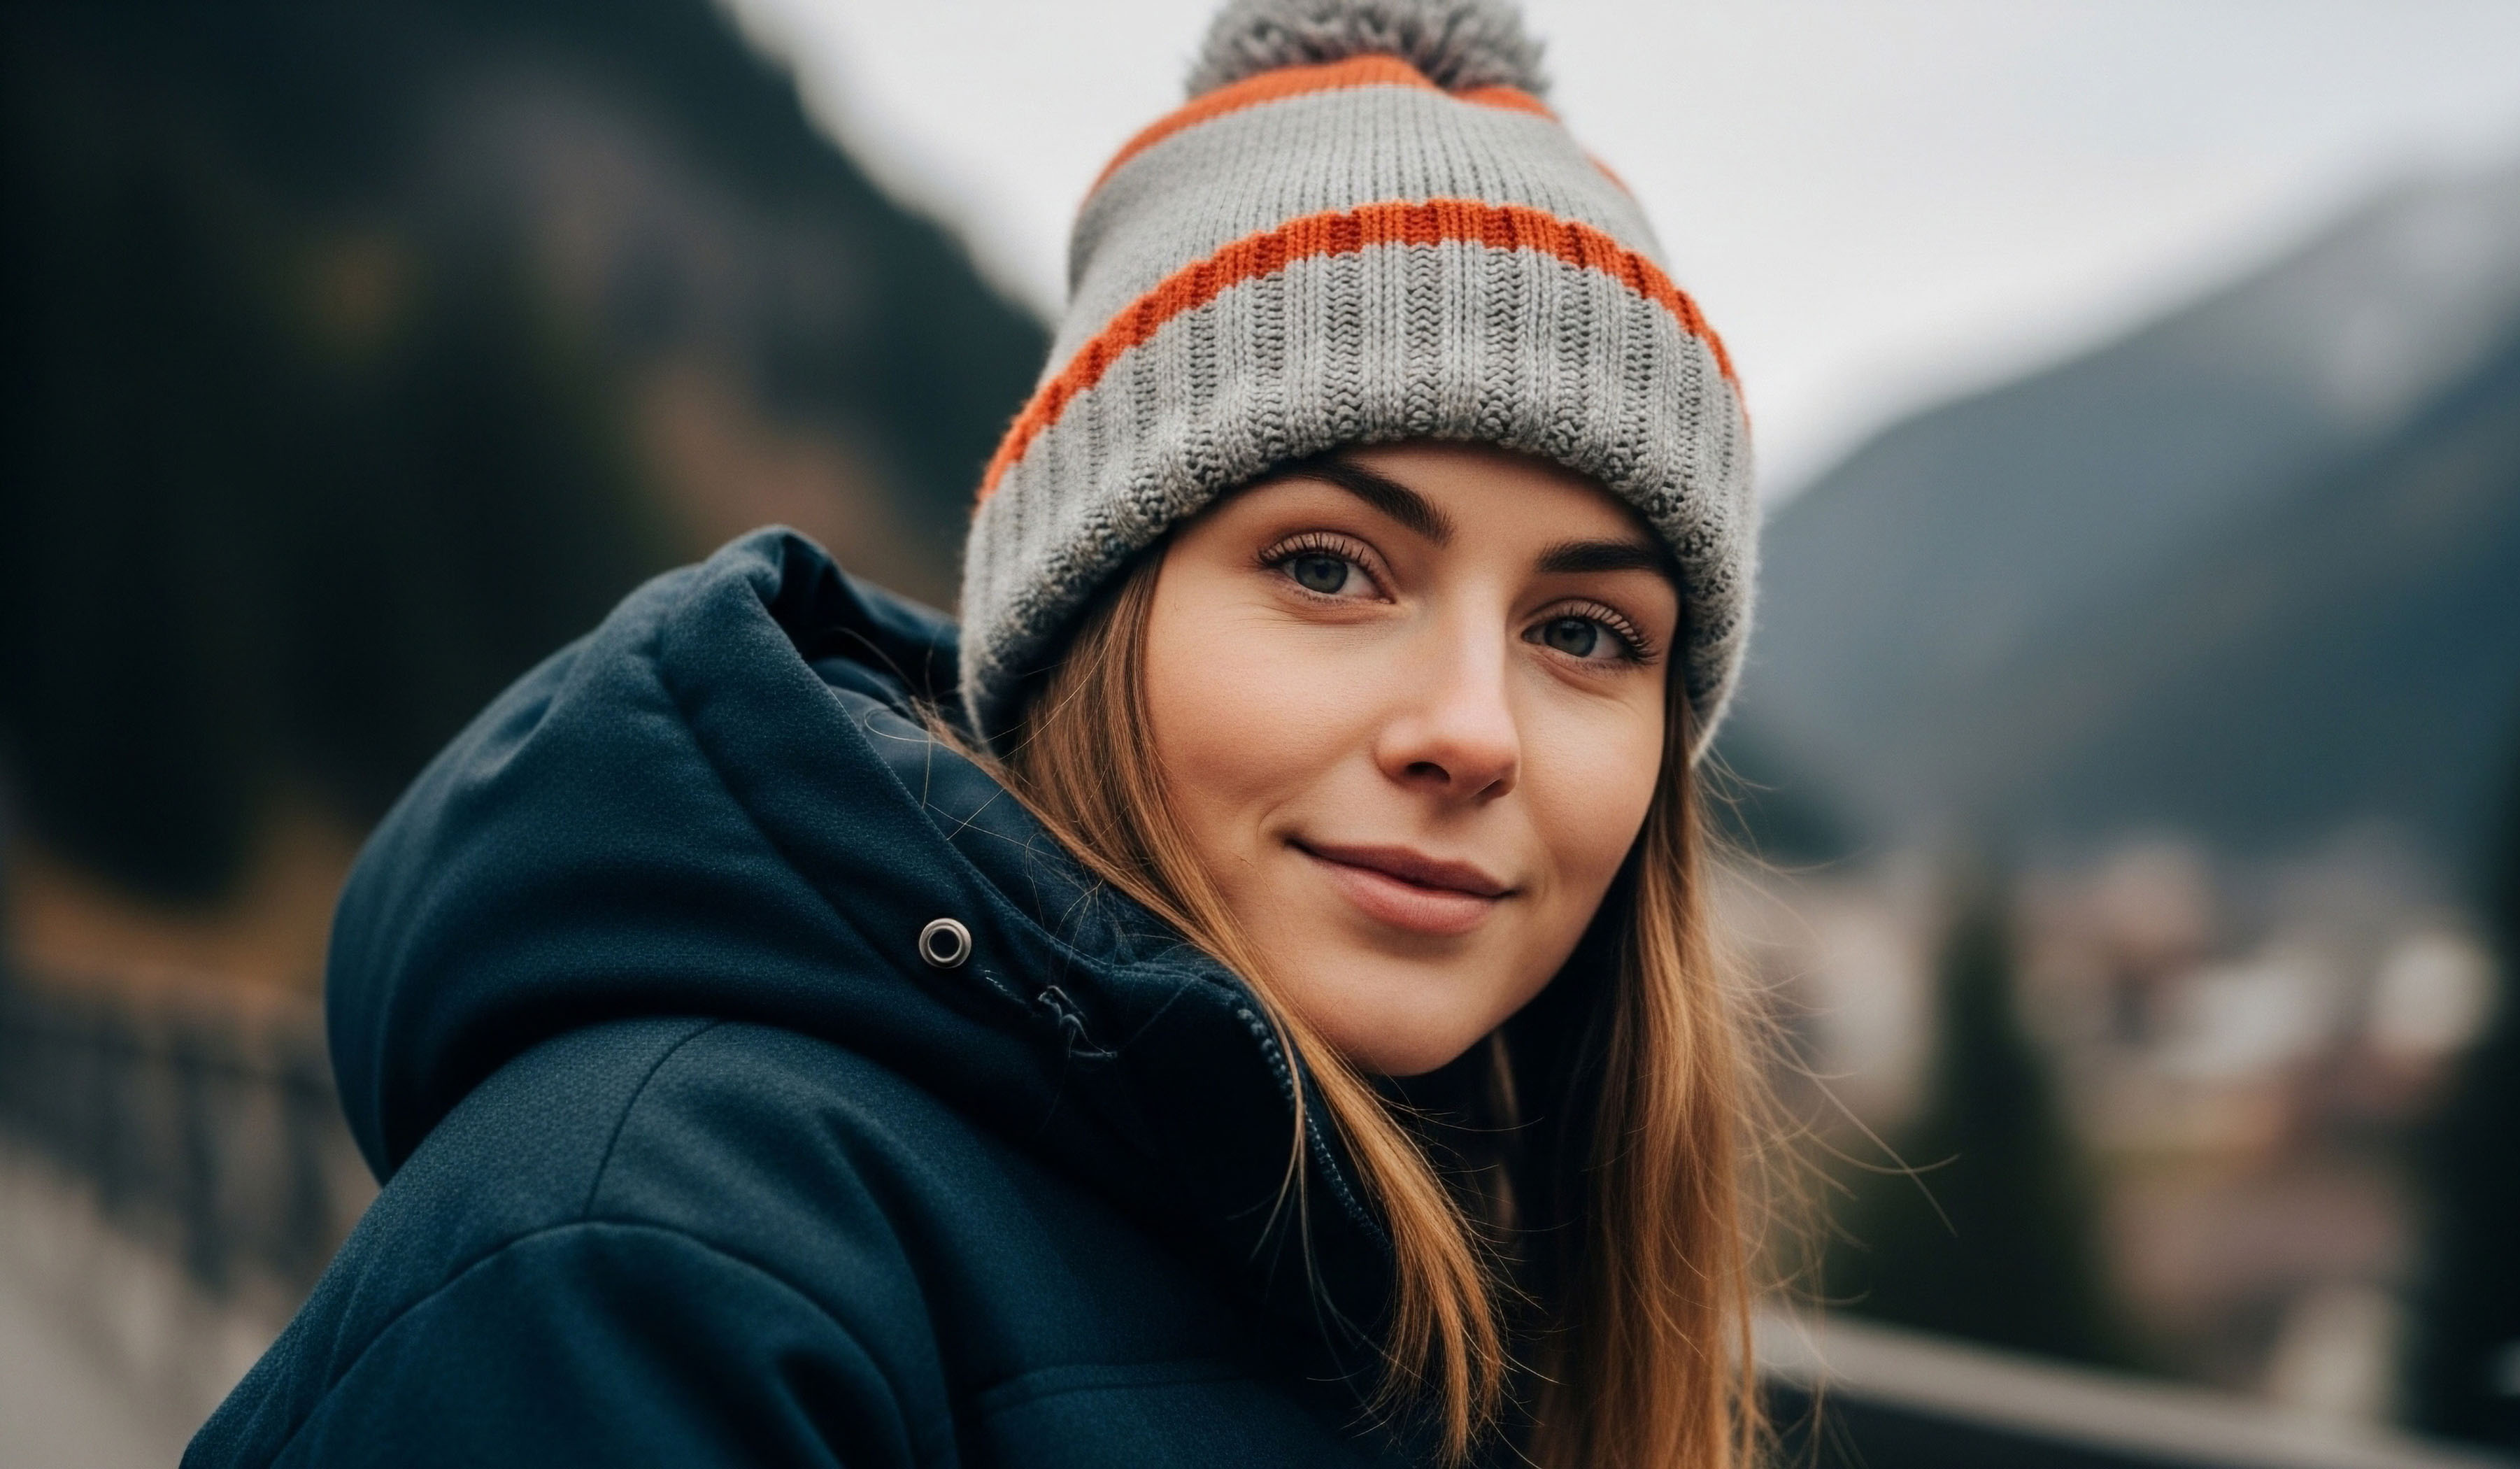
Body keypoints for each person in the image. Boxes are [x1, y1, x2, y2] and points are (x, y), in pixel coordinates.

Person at [187, 0, 1768, 1463]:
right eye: (1325, 567)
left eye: (1582, 632)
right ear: (1086, 620)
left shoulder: (1471, 1293)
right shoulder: (653, 1266)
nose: (1470, 731)